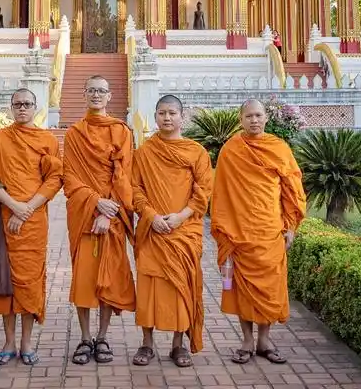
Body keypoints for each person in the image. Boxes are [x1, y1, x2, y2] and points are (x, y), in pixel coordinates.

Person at [210, 98, 306, 365]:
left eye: (258, 115)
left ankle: (264, 341)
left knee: (270, 288)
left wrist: (290, 225)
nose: (254, 120)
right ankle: (246, 341)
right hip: (238, 232)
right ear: (240, 120)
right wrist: (224, 231)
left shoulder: (278, 148)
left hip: (269, 230)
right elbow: (220, 194)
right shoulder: (231, 150)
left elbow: (292, 189)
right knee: (241, 289)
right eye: (249, 116)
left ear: (266, 118)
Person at [0, 88, 64, 366]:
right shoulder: (0, 138)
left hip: (33, 221)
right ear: (11, 107)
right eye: (17, 104)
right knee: (5, 283)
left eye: (27, 104)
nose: (22, 108)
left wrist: (26, 208)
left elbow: (54, 179)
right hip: (5, 218)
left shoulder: (46, 140)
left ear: (36, 107)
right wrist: (14, 206)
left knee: (29, 283)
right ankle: (8, 342)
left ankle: (26, 342)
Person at [131, 94, 213, 368]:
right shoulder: (144, 153)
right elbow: (135, 190)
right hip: (153, 230)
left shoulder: (196, 152)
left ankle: (178, 345)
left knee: (182, 287)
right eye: (162, 113)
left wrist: (180, 217)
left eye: (172, 113)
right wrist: (151, 216)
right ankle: (147, 343)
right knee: (149, 288)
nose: (167, 118)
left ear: (182, 116)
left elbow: (203, 192)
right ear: (155, 117)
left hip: (184, 231)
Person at [63, 74, 136, 366]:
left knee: (109, 279)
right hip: (84, 215)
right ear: (84, 94)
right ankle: (84, 337)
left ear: (109, 96)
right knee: (83, 280)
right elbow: (69, 177)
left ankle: (102, 336)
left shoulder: (122, 131)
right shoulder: (74, 133)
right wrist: (96, 204)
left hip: (113, 216)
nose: (96, 95)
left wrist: (110, 211)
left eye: (101, 91)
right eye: (91, 90)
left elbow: (125, 176)